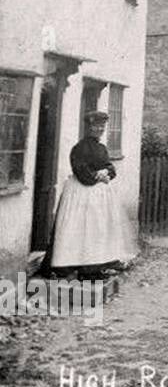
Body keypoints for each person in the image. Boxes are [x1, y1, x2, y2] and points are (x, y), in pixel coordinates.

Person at [46, 111, 136, 277]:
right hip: (82, 194)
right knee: (81, 227)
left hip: (99, 194)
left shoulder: (102, 148)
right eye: (96, 126)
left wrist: (106, 172)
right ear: (88, 127)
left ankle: (96, 263)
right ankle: (76, 264)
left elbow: (110, 167)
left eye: (102, 126)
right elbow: (80, 171)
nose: (99, 129)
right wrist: (96, 176)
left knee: (98, 228)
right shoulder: (79, 148)